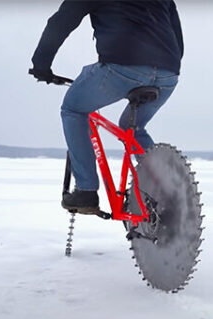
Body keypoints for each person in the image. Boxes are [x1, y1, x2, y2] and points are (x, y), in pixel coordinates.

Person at [29, 0, 183, 213]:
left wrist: (41, 64)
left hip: (122, 67)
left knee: (73, 109)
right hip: (169, 74)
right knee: (133, 127)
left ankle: (86, 190)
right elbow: (178, 38)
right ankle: (163, 188)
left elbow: (62, 21)